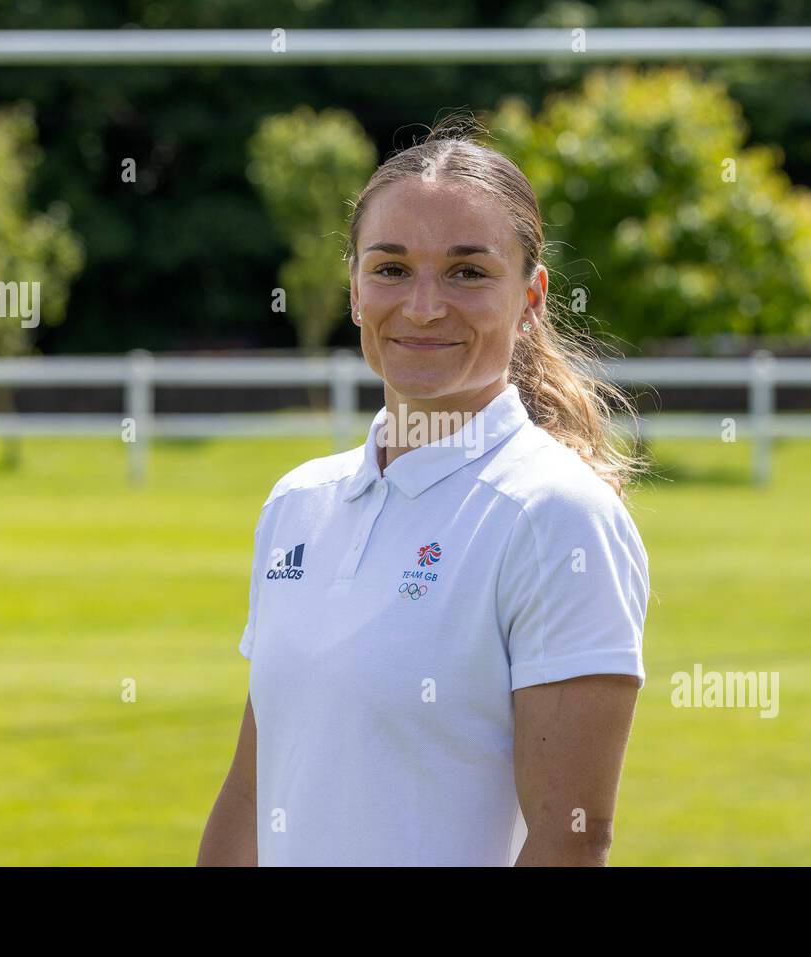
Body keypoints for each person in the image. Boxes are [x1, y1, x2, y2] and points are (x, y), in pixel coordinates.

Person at [198, 118, 651, 867]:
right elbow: (253, 791)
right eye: (391, 268)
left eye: (468, 272)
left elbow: (571, 838)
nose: (423, 306)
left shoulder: (557, 517)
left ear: (531, 297)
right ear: (353, 288)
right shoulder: (295, 504)